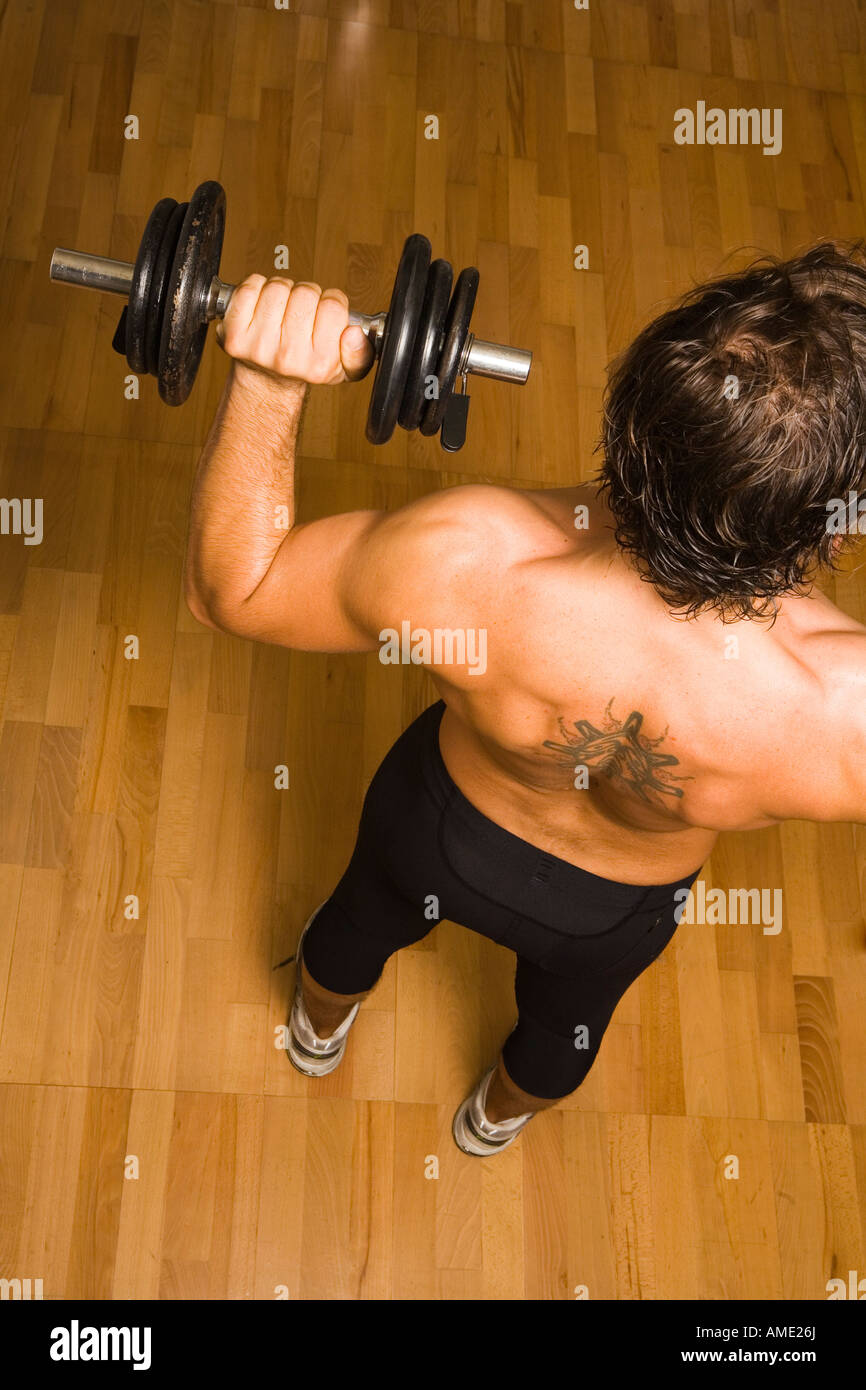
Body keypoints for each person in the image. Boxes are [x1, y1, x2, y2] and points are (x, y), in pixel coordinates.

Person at [183, 240, 866, 1156]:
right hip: (616, 912)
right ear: (834, 531)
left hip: (439, 827)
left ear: (630, 409)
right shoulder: (843, 711)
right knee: (561, 1034)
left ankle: (314, 1034)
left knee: (351, 929)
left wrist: (269, 384)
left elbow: (237, 591)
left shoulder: (466, 557)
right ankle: (493, 1123)